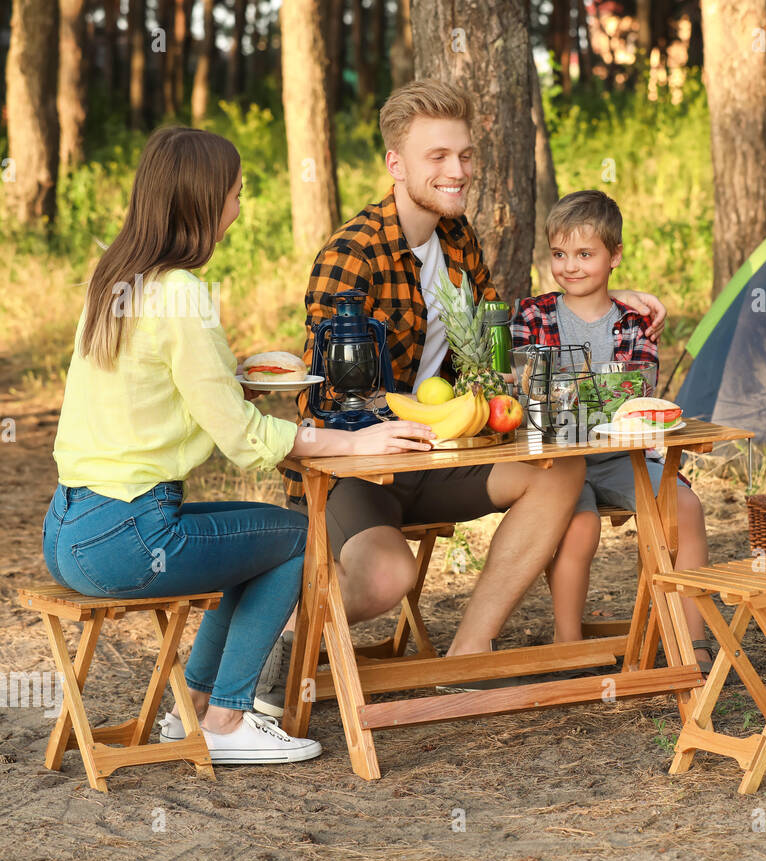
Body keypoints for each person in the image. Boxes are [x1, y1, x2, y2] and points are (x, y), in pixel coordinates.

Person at [257, 80, 669, 706]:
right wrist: (376, 434)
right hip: (363, 469)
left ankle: (467, 654)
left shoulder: (457, 238)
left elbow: (503, 327)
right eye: (438, 157)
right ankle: (271, 631)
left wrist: (607, 299)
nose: (458, 171)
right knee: (387, 576)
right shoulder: (352, 253)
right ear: (395, 164)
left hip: (444, 453)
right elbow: (322, 397)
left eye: (465, 155)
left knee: (561, 470)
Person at [42, 127, 435, 764]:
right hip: (127, 536)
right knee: (292, 538)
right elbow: (246, 442)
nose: (240, 208)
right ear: (202, 203)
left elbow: (155, 405)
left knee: (250, 542)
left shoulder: (115, 279)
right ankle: (228, 719)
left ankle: (191, 711)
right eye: (235, 194)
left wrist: (237, 390)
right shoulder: (182, 295)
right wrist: (350, 444)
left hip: (70, 529)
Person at [512, 190, 713, 667]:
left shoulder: (633, 322)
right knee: (579, 526)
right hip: (556, 458)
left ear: (614, 256)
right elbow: (524, 393)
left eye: (585, 254)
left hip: (623, 454)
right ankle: (569, 645)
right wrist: (592, 392)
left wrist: (568, 389)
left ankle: (693, 640)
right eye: (559, 255)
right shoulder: (534, 314)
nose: (571, 267)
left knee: (686, 508)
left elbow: (635, 396)